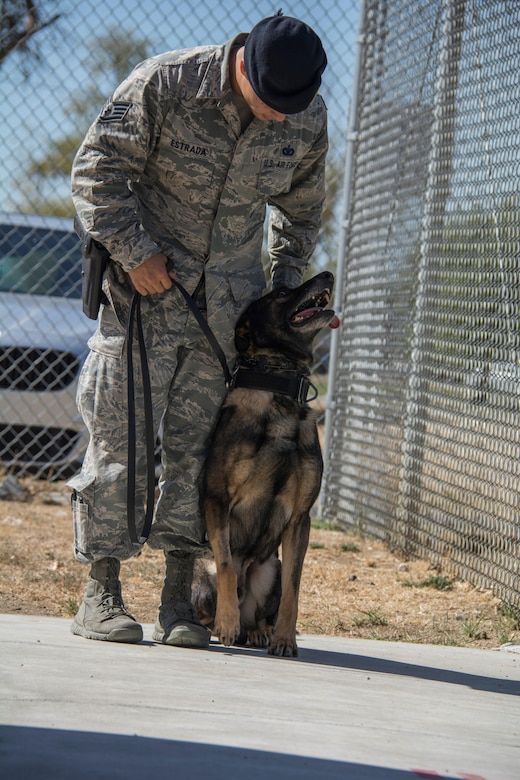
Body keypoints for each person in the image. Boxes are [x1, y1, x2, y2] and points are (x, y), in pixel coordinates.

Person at [69, 12, 328, 648]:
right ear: (243, 66)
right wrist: (134, 250)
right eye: (267, 102)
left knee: (201, 459)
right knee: (118, 444)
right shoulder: (167, 83)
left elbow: (301, 213)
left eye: (287, 108)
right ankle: (100, 593)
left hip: (227, 318)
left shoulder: (306, 116)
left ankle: (178, 601)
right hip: (142, 298)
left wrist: (281, 292)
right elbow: (95, 170)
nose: (276, 117)